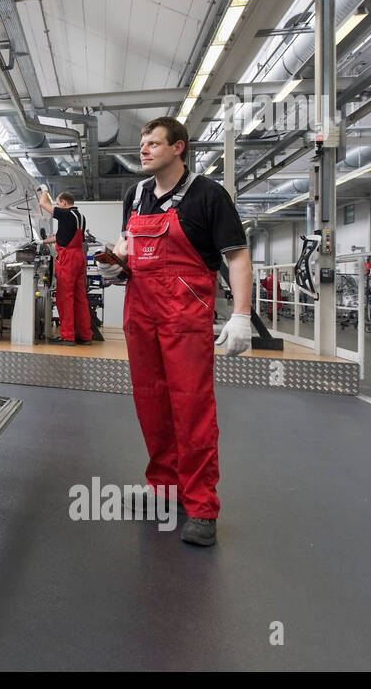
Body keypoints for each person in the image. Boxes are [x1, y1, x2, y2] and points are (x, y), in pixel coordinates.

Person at [99, 117, 253, 547]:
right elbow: (128, 245)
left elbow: (237, 257)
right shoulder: (136, 195)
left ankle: (201, 506)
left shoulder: (208, 195)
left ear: (178, 148)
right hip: (141, 313)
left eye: (153, 144)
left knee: (191, 408)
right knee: (151, 403)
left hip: (185, 316)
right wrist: (114, 265)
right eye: (142, 143)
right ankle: (163, 488)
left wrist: (241, 314)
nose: (143, 150)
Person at [38, 189, 92, 345]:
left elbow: (43, 203)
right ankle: (85, 335)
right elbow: (62, 236)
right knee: (80, 297)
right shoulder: (80, 216)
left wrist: (44, 191)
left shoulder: (65, 214)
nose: (56, 205)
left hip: (68, 258)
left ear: (63, 203)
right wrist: (41, 242)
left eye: (57, 202)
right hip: (79, 257)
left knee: (64, 297)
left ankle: (67, 336)